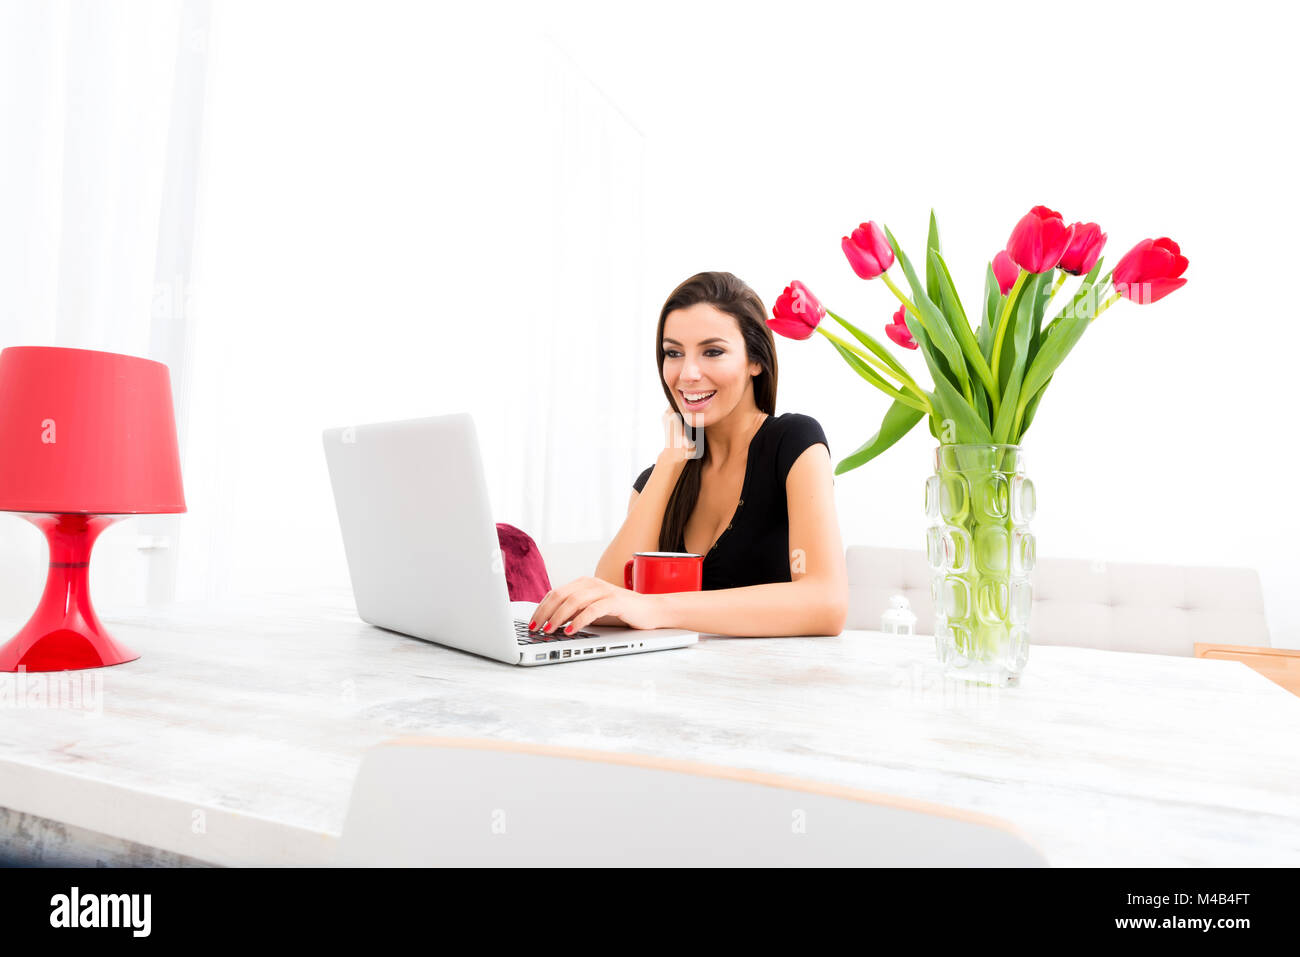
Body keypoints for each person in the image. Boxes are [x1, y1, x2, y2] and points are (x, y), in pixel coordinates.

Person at [529, 271, 848, 638]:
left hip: (768, 687)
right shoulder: (657, 479)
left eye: (712, 351)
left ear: (755, 362)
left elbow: (828, 603)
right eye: (673, 353)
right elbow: (608, 601)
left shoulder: (794, 443)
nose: (688, 373)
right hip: (675, 687)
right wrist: (669, 464)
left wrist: (655, 607)